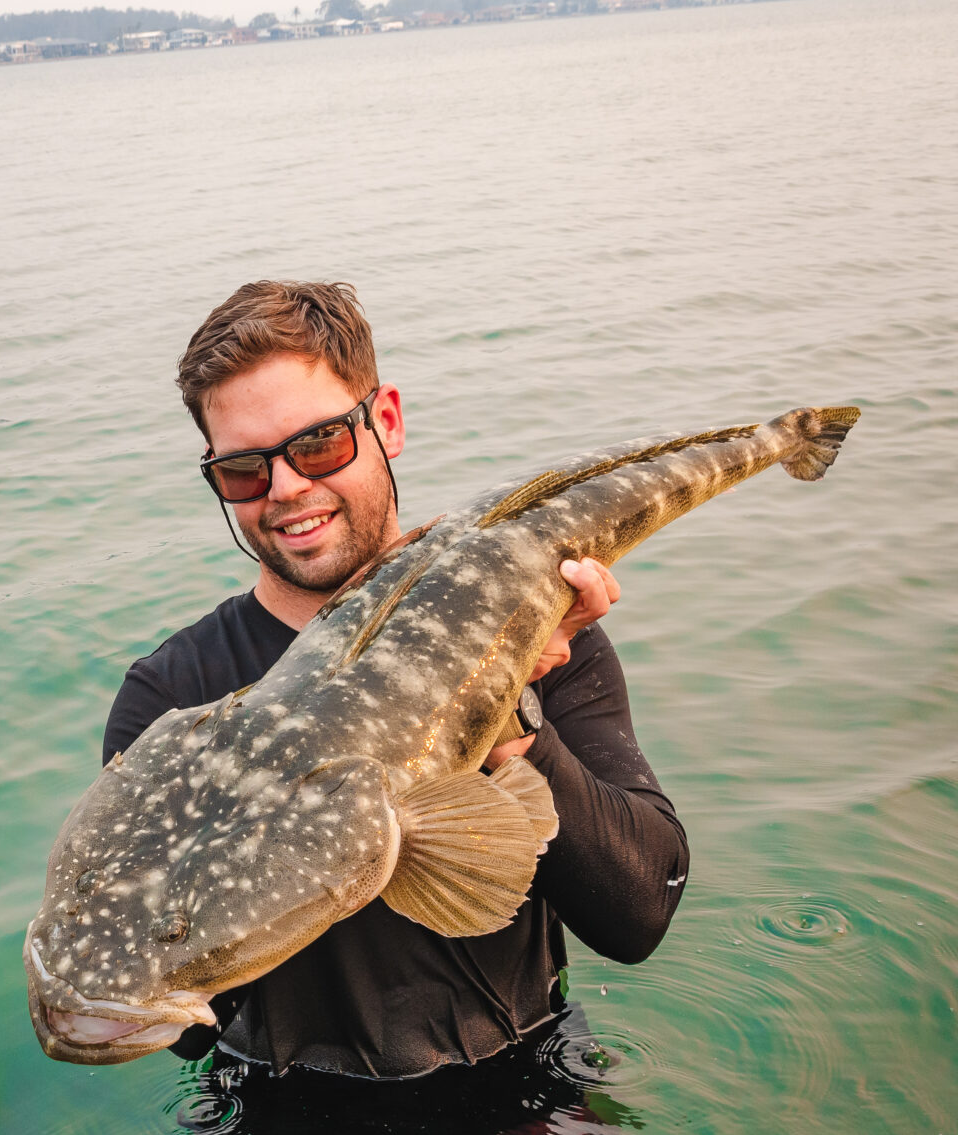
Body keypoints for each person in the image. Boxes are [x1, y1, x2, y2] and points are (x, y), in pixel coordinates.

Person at [103, 280, 689, 1080]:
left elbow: (640, 915)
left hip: (526, 1095)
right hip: (283, 1132)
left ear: (386, 422)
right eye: (243, 470)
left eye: (317, 447)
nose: (286, 490)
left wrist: (513, 722)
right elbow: (185, 1032)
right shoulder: (173, 700)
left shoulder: (538, 626)